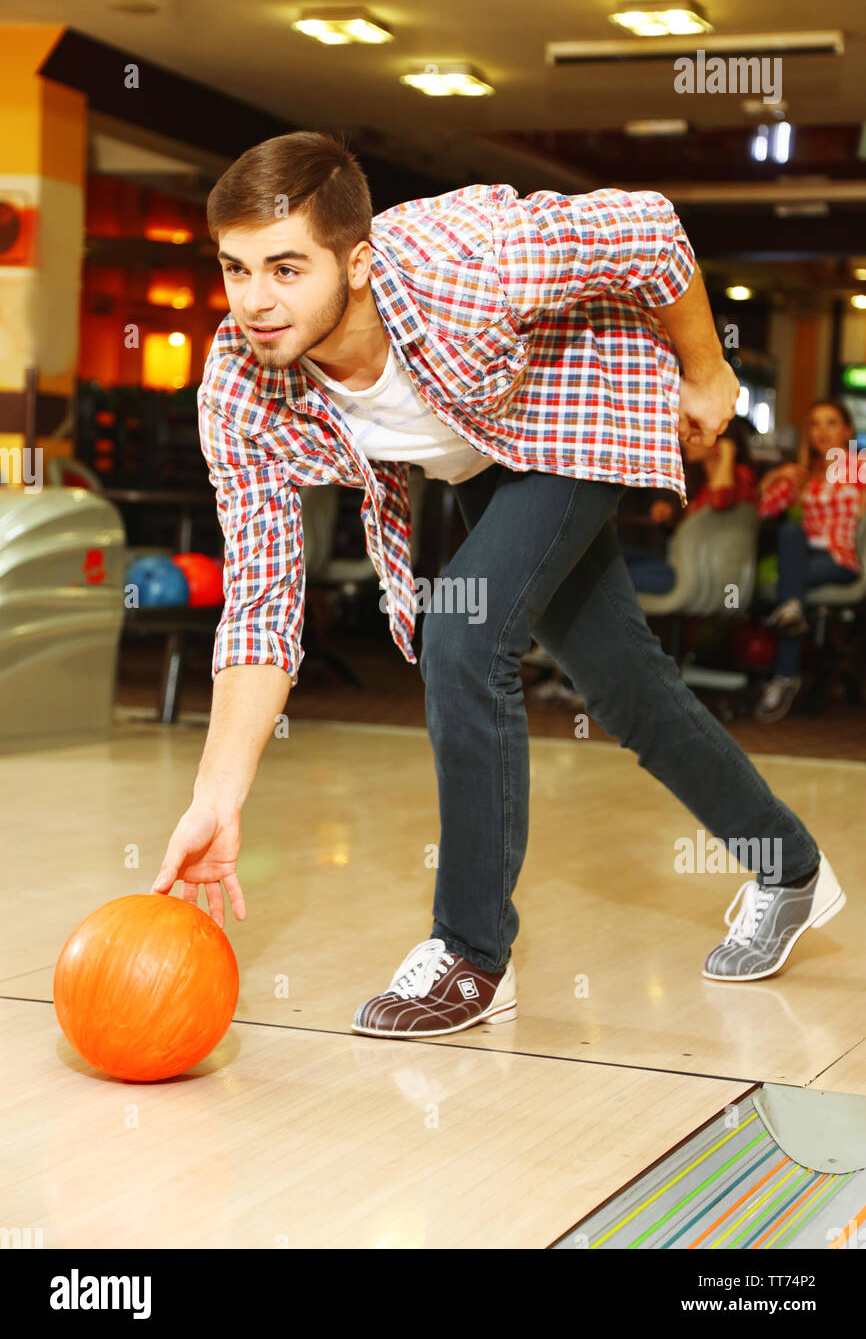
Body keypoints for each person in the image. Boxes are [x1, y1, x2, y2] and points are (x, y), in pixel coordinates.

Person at [151, 131, 846, 1037]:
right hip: (485, 452)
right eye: (235, 270)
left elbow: (651, 230)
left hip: (586, 401)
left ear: (357, 262)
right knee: (625, 684)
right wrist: (216, 795)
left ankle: (472, 955)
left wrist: (708, 371)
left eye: (286, 269)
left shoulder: (467, 263)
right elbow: (262, 597)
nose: (254, 303)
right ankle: (789, 866)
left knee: (464, 636)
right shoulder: (239, 386)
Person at [753, 399, 866, 722]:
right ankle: (790, 635)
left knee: (789, 587)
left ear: (846, 429)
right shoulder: (804, 475)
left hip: (842, 559)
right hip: (804, 559)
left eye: (831, 423)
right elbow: (761, 511)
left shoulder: (857, 466)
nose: (821, 431)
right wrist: (777, 476)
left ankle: (785, 678)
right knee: (790, 532)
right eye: (815, 423)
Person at [623, 416, 758, 595]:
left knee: (614, 578)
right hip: (679, 563)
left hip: (698, 575)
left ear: (718, 438)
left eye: (695, 435)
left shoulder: (739, 476)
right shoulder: (700, 482)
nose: (685, 440)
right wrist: (671, 513)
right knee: (615, 557)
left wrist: (727, 453)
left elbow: (719, 501)